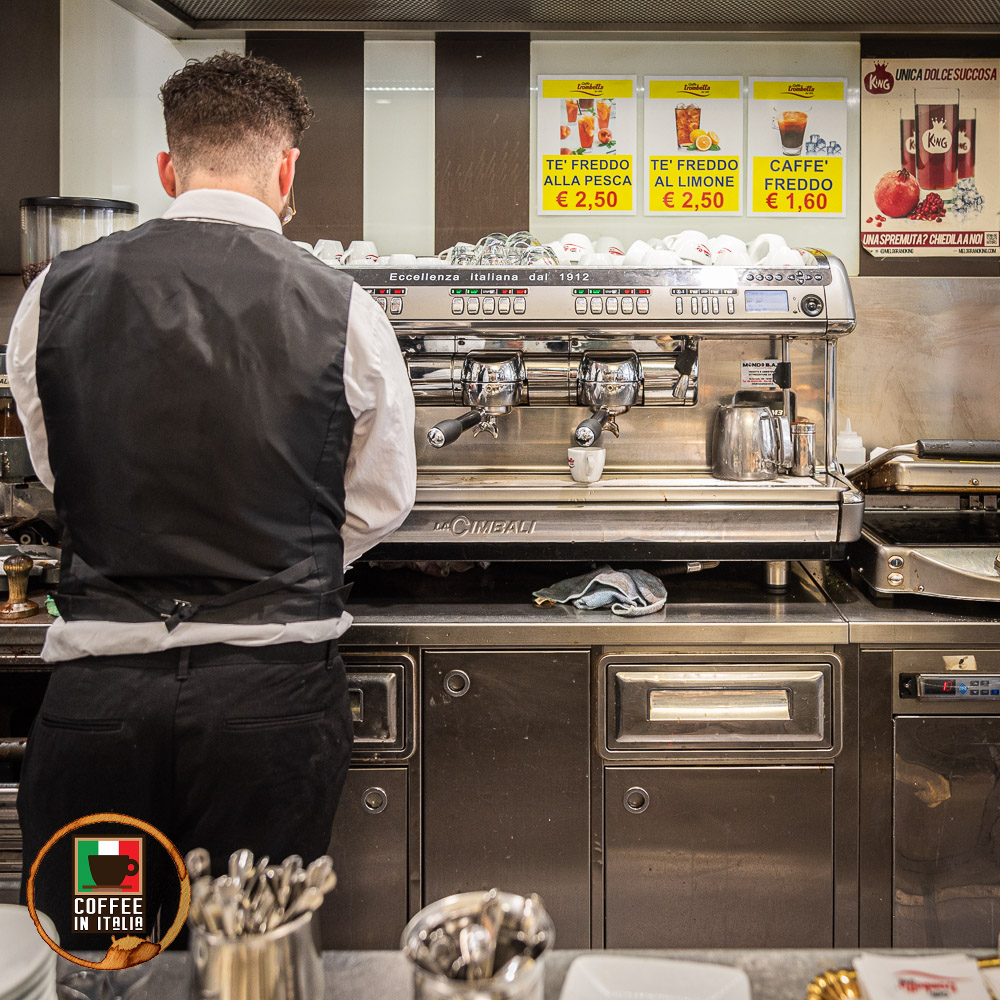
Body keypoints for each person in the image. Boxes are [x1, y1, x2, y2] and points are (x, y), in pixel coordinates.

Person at [8, 51, 416, 948]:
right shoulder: (342, 304)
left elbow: (55, 470)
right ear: (287, 170)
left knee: (106, 962)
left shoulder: (51, 296)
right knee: (250, 967)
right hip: (267, 713)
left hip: (100, 706)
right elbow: (383, 498)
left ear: (168, 168)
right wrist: (284, 548)